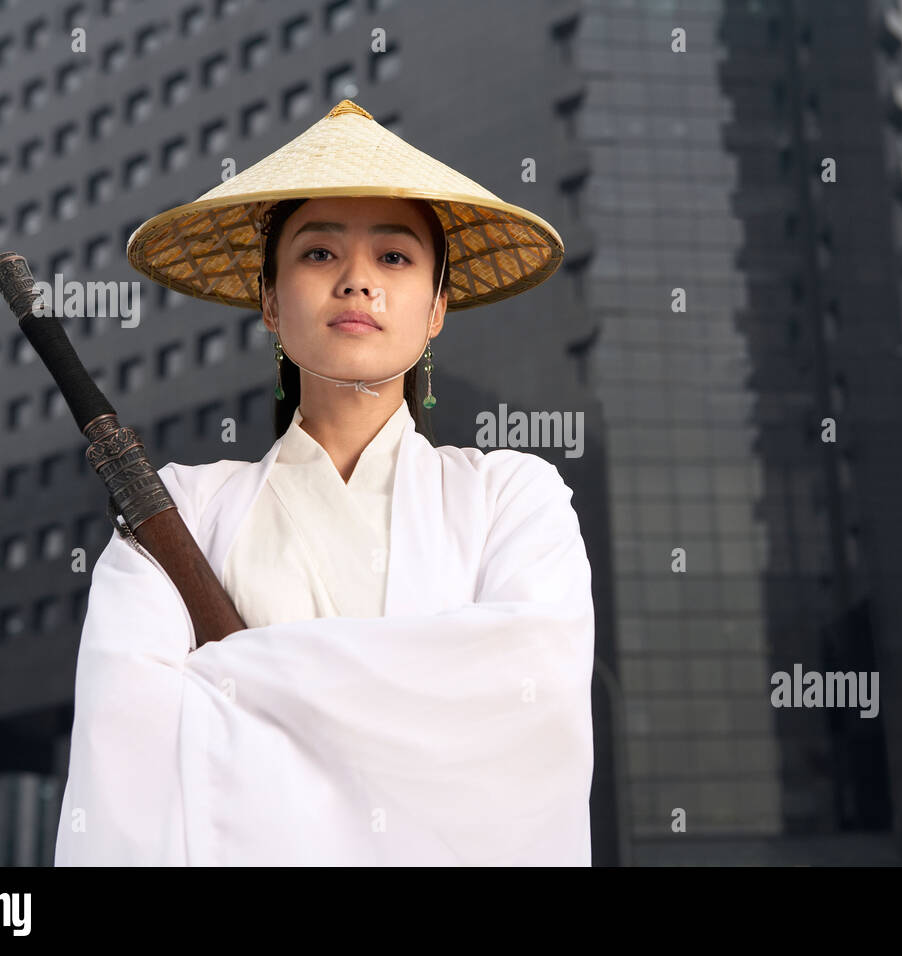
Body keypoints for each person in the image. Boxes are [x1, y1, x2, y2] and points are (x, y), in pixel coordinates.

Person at [53, 100, 595, 865]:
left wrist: (229, 688)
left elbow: (522, 734)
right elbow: (128, 759)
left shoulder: (513, 498)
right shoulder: (178, 510)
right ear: (270, 302)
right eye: (317, 254)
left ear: (438, 306)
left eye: (396, 258)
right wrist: (401, 713)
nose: (356, 282)